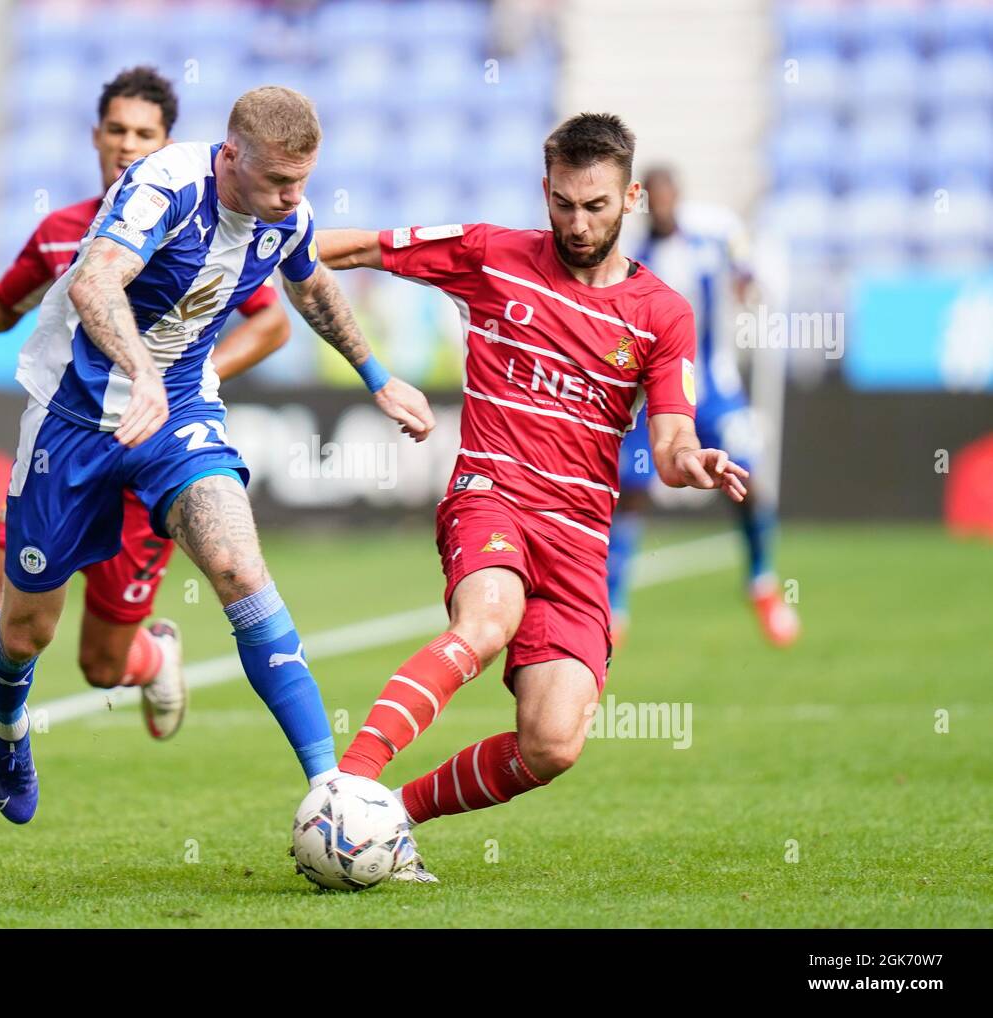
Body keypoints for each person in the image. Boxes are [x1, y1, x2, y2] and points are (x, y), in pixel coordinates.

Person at [0, 85, 436, 826]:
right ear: (231, 158)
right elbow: (97, 280)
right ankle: (7, 725)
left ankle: (333, 792)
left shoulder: (286, 213)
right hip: (73, 415)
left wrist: (377, 377)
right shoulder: (165, 185)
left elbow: (312, 281)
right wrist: (141, 372)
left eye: (304, 181)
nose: (294, 198)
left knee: (236, 565)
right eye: (280, 182)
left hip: (180, 412)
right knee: (28, 630)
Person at [315, 113, 747, 881]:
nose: (578, 225)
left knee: (552, 743)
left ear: (632, 198)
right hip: (493, 494)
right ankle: (346, 786)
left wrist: (696, 463)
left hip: (580, 536)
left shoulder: (661, 315)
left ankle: (390, 819)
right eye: (563, 204)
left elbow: (673, 441)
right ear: (544, 190)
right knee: (487, 621)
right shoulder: (492, 255)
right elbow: (362, 247)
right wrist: (250, 254)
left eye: (597, 207)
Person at [0, 68, 292, 840]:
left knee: (101, 664)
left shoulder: (206, 222)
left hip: (147, 462)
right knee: (1, 605)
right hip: (61, 445)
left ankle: (150, 658)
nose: (126, 146)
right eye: (116, 131)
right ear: (97, 137)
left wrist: (179, 384)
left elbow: (271, 322)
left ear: (167, 146)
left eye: (144, 135)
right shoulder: (65, 230)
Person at [608, 165, 798, 646]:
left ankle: (762, 583)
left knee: (748, 482)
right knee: (629, 494)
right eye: (656, 199)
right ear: (644, 202)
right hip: (653, 394)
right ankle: (613, 607)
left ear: (680, 199)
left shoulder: (711, 244)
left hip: (714, 388)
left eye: (670, 198)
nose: (664, 207)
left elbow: (749, 274)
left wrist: (750, 283)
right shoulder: (632, 256)